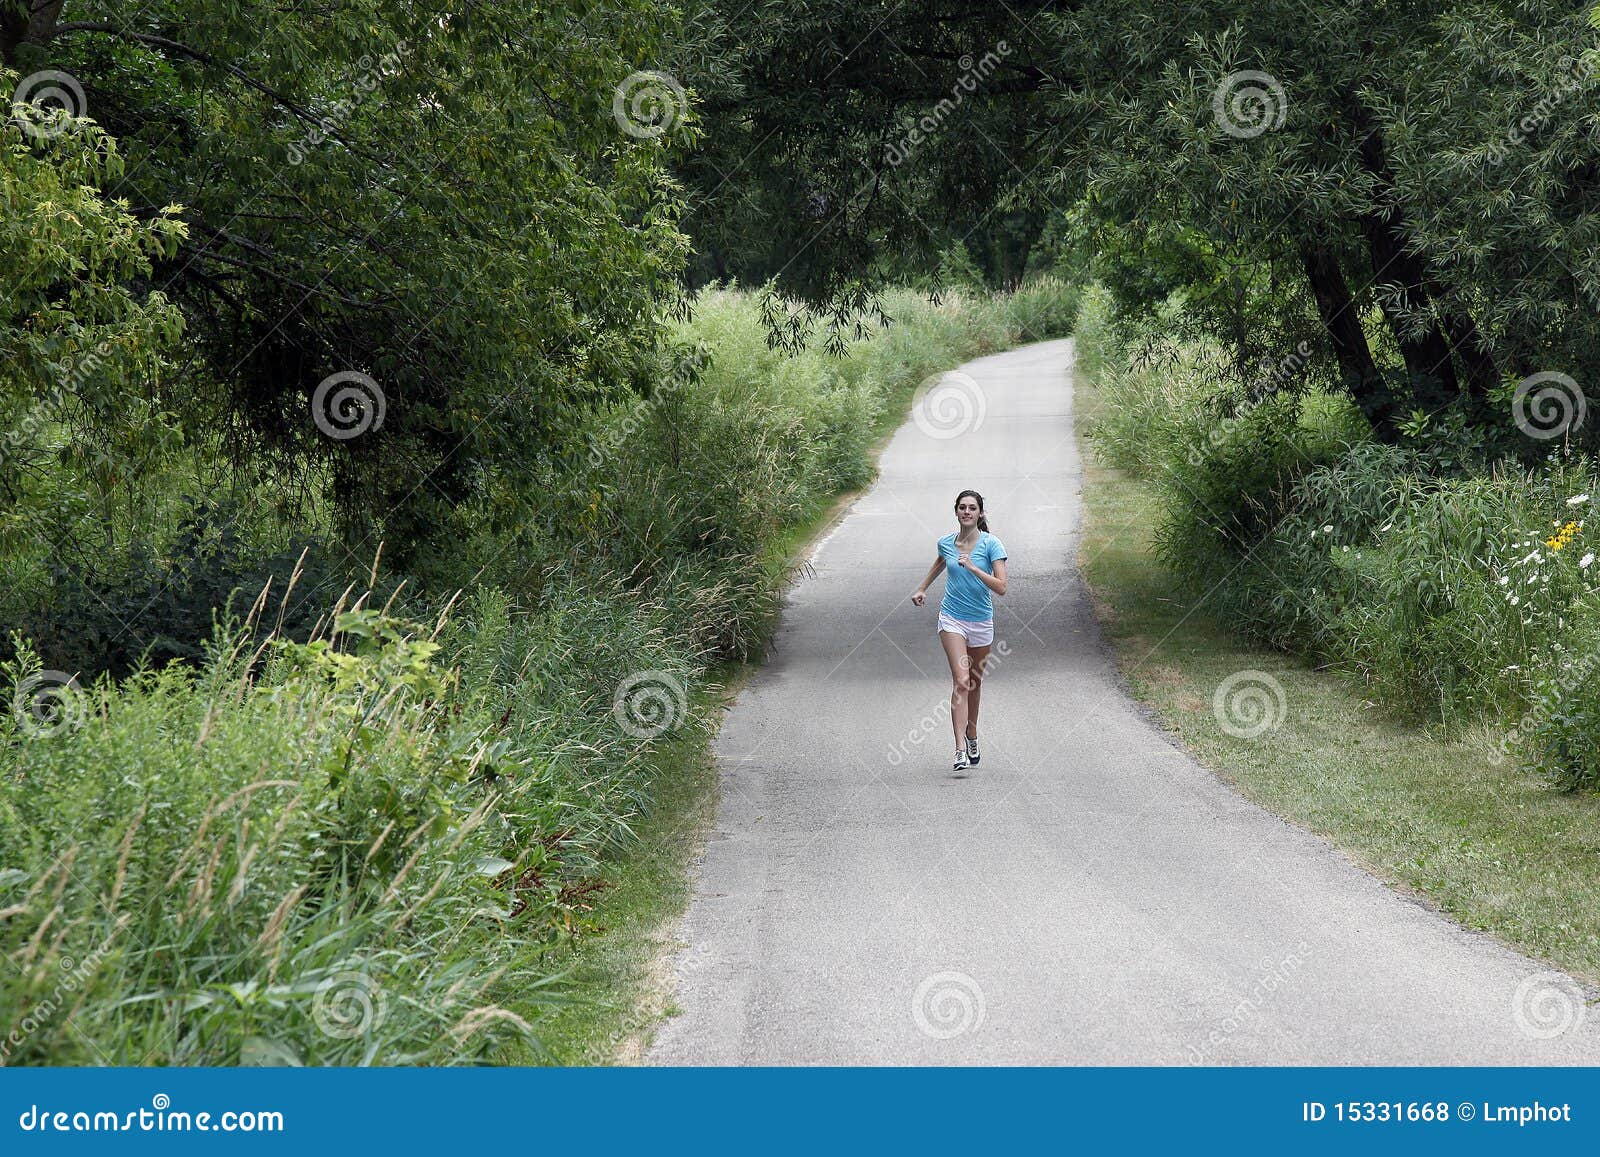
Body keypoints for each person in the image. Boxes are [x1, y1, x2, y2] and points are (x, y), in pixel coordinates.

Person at [910, 489, 1008, 771]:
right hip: (952, 619)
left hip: (981, 621)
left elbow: (1002, 588)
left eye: (972, 508)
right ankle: (959, 749)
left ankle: (972, 733)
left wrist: (975, 568)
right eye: (962, 507)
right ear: (956, 512)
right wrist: (921, 588)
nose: (967, 512)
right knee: (962, 680)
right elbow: (941, 561)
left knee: (975, 684)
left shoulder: (992, 545)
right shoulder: (946, 543)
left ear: (980, 514)